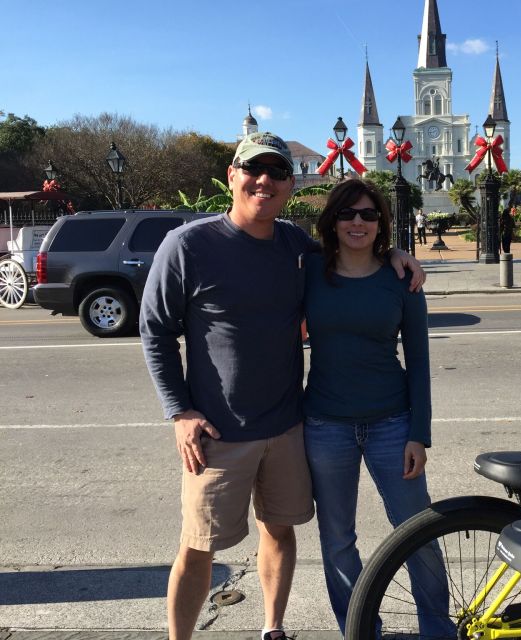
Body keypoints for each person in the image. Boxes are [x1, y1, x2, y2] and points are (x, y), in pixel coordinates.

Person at [139, 132, 424, 640]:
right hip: (217, 432)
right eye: (254, 170)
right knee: (198, 544)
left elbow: (352, 242)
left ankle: (274, 627)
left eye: (277, 173)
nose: (264, 181)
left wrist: (397, 252)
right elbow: (155, 331)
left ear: (291, 185)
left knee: (280, 529)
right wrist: (178, 411)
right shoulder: (189, 245)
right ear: (233, 175)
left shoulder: (296, 247)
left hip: (290, 425)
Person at [302, 178, 453, 637]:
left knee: (417, 531)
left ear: (381, 224)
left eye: (369, 214)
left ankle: (435, 626)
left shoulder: (401, 278)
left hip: (392, 423)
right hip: (326, 426)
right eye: (348, 213)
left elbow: (421, 360)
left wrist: (419, 434)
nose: (358, 222)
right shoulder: (308, 271)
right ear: (332, 221)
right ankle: (359, 627)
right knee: (337, 539)